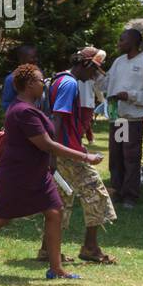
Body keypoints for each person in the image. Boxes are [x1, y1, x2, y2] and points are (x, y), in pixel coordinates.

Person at [0, 64, 101, 282]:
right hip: (18, 176)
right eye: (42, 81)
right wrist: (85, 157)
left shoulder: (28, 108)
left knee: (54, 212)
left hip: (37, 175)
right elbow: (47, 145)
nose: (45, 84)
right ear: (30, 84)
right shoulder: (23, 111)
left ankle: (56, 269)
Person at [46, 47, 117, 265]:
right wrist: (54, 155)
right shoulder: (69, 84)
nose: (95, 75)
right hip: (66, 152)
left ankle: (46, 249)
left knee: (60, 200)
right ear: (84, 64)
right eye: (94, 69)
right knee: (96, 192)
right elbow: (58, 119)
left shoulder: (59, 79)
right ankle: (90, 247)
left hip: (64, 149)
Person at [105, 28, 143, 208]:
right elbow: (106, 84)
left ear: (134, 42)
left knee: (131, 157)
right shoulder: (119, 62)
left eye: (122, 40)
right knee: (116, 157)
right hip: (118, 120)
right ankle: (117, 191)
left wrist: (130, 95)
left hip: (133, 121)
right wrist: (95, 73)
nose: (119, 43)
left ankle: (130, 196)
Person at [1, 44, 39, 111]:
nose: (35, 59)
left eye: (36, 57)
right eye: (32, 57)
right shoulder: (11, 79)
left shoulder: (39, 76)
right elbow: (6, 104)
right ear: (22, 59)